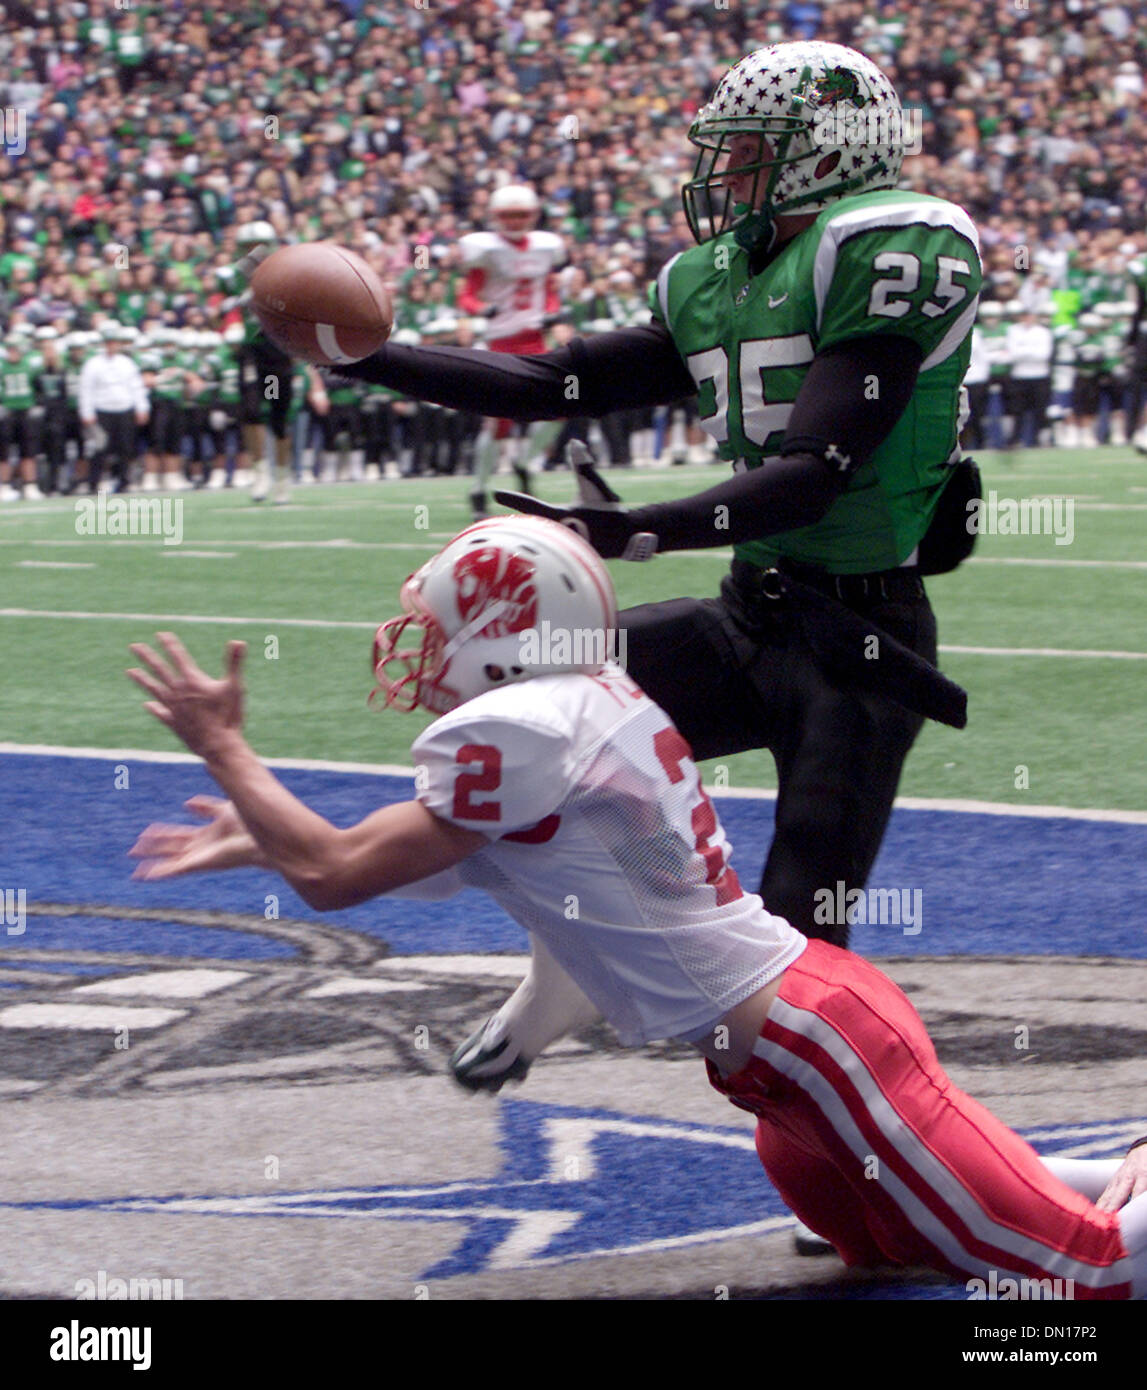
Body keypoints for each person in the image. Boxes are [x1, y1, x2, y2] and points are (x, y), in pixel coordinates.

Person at [125, 516, 1147, 1298]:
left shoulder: (520, 729)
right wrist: (261, 829)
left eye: (438, 630)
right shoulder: (574, 709)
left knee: (1080, 1274)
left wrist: (226, 749)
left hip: (814, 1042)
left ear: (501, 640)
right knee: (889, 1245)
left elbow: (335, 873)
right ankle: (1096, 1166)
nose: (419, 648)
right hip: (780, 1065)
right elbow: (483, 883)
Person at [330, 41, 983, 1091]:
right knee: (528, 712)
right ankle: (565, 976)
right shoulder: (717, 276)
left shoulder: (887, 246)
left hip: (857, 645)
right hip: (745, 620)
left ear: (824, 155)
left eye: (749, 152)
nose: (722, 174)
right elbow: (553, 384)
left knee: (791, 968)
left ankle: (862, 1158)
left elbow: (812, 473)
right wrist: (364, 359)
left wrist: (639, 528)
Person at [454, 183, 567, 517]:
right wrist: (480, 309)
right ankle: (478, 489)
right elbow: (467, 295)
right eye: (509, 215)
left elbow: (548, 290)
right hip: (499, 341)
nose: (516, 221)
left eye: (521, 215)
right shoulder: (485, 250)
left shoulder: (545, 247)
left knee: (559, 409)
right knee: (497, 421)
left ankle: (523, 461)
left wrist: (551, 312)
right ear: (496, 216)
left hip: (534, 338)